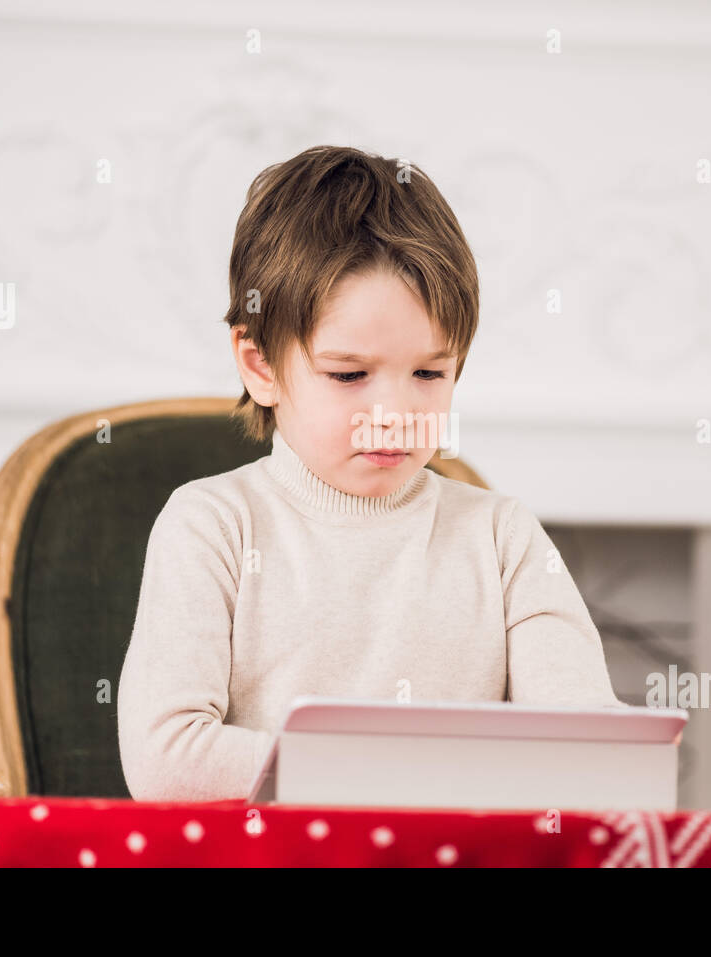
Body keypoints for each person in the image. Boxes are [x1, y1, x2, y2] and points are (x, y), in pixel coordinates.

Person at [117, 145, 628, 803]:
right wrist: (401, 774)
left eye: (428, 373)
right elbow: (168, 758)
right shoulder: (211, 526)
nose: (392, 413)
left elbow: (589, 750)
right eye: (349, 374)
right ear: (260, 365)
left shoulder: (501, 538)